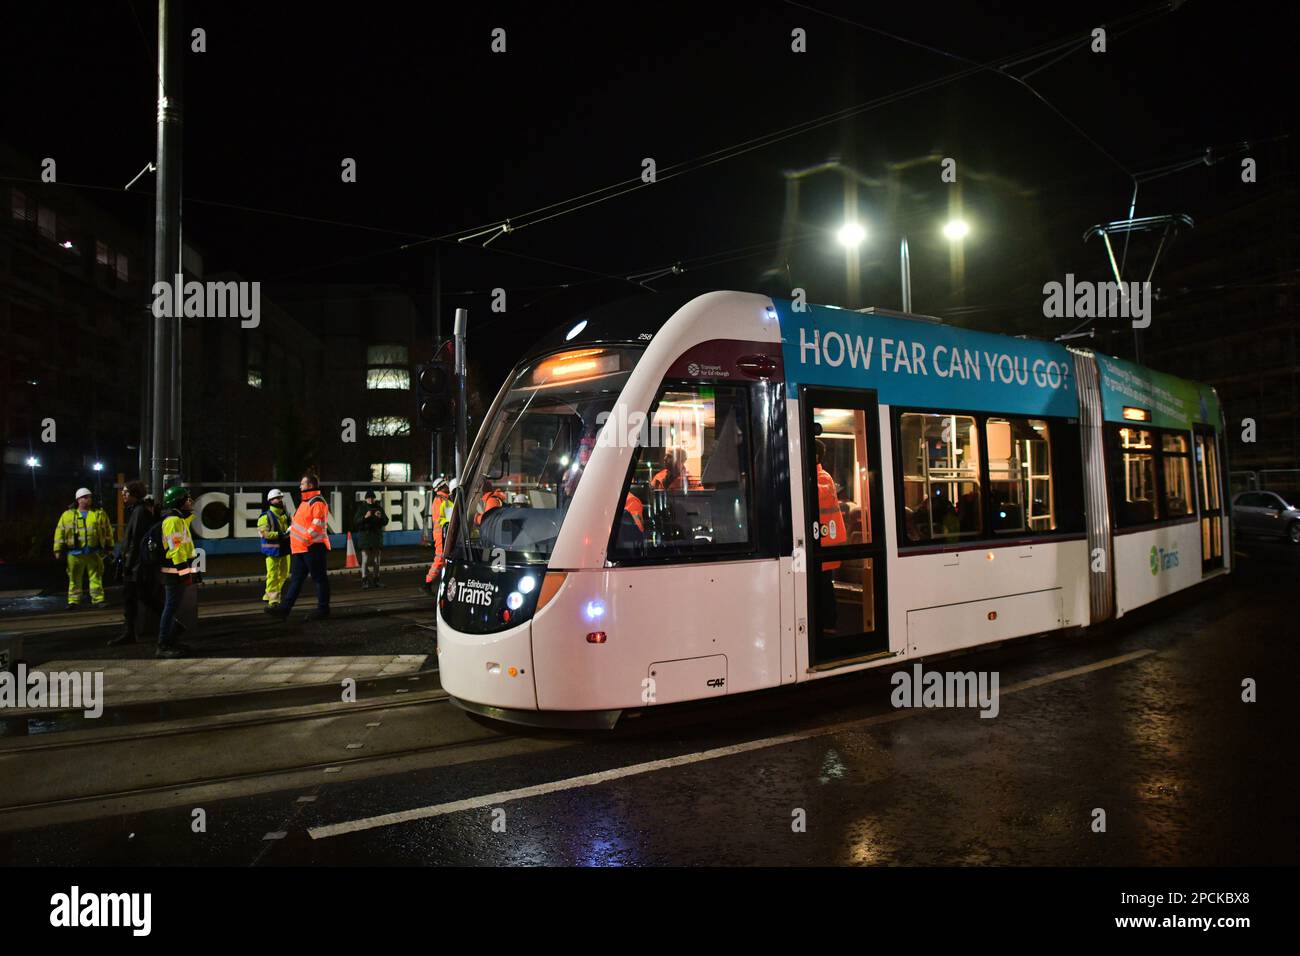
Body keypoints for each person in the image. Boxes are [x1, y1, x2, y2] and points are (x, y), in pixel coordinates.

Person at [269, 473, 331, 621]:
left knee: (319, 579)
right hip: (302, 548)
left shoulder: (317, 502)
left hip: (313, 548)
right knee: (296, 580)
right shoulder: (306, 502)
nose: (300, 486)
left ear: (310, 485)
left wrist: (304, 539)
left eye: (302, 484)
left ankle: (323, 609)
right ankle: (284, 609)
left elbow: (316, 526)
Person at [109, 481, 162, 645]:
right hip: (137, 564)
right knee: (137, 597)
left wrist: (127, 565)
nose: (123, 495)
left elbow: (136, 540)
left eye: (126, 492)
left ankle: (170, 624)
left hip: (136, 566)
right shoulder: (138, 510)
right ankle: (131, 631)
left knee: (138, 597)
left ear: (135, 494)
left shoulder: (139, 512)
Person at [53, 487, 115, 609]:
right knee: (74, 578)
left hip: (94, 551)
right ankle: (73, 601)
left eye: (89, 497)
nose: (88, 499)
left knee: (96, 577)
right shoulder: (67, 515)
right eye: (85, 497)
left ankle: (98, 599)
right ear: (78, 500)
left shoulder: (99, 514)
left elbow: (107, 530)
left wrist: (109, 546)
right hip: (74, 552)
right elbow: (59, 532)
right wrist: (57, 549)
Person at [157, 485, 198, 658]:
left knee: (173, 607)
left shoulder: (178, 519)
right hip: (174, 571)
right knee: (170, 607)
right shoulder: (173, 521)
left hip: (177, 569)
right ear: (179, 502)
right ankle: (163, 644)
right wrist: (184, 573)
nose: (190, 501)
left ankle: (170, 641)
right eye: (187, 499)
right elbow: (176, 549)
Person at [815, 440, 846, 633]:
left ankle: (829, 624)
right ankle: (824, 622)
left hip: (826, 543)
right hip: (820, 542)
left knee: (824, 585)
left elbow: (814, 493)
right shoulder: (816, 476)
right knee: (820, 585)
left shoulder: (823, 477)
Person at [258, 489, 291, 610]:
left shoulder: (285, 515)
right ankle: (274, 600)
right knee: (273, 575)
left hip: (285, 550)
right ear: (271, 501)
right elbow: (264, 534)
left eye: (281, 498)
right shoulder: (265, 517)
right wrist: (280, 535)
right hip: (272, 552)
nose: (280, 500)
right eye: (278, 498)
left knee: (284, 574)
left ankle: (269, 594)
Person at [423, 477, 455, 593]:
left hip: (443, 533)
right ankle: (427, 583)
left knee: (446, 559)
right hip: (442, 534)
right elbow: (450, 518)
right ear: (442, 486)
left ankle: (444, 584)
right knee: (440, 559)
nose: (448, 486)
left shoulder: (443, 499)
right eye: (446, 485)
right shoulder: (442, 500)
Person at [352, 489, 389, 589]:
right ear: (366, 499)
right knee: (365, 559)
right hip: (365, 537)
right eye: (369, 498)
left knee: (377, 560)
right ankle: (364, 580)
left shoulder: (379, 508)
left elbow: (386, 521)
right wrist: (365, 517)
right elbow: (356, 522)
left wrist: (380, 517)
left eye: (372, 498)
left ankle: (376, 579)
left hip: (376, 537)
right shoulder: (362, 508)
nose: (371, 500)